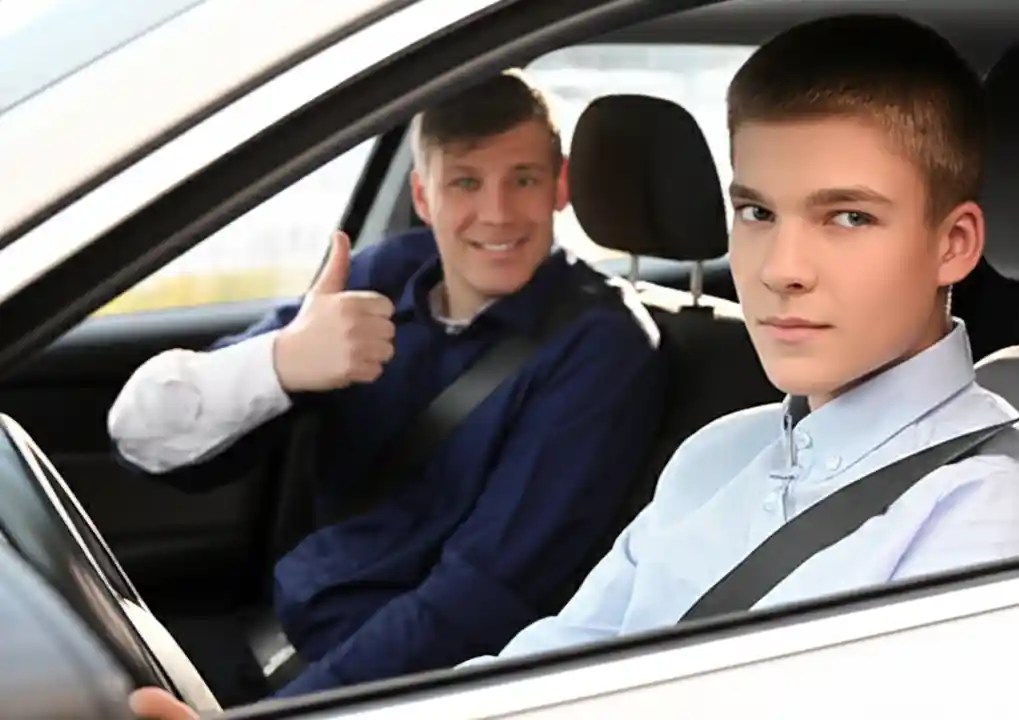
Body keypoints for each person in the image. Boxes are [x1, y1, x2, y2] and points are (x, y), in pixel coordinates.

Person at [128, 14, 1019, 718]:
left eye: (848, 216)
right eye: (757, 211)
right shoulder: (722, 453)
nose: (781, 269)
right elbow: (548, 664)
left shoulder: (984, 516)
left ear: (954, 243)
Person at [108, 70, 666, 704]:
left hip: (382, 692)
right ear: (423, 196)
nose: (498, 213)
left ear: (558, 186)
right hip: (272, 639)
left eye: (524, 179)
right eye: (464, 181)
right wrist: (283, 362)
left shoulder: (600, 345)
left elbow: (482, 596)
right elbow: (142, 437)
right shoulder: (383, 274)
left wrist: (287, 711)